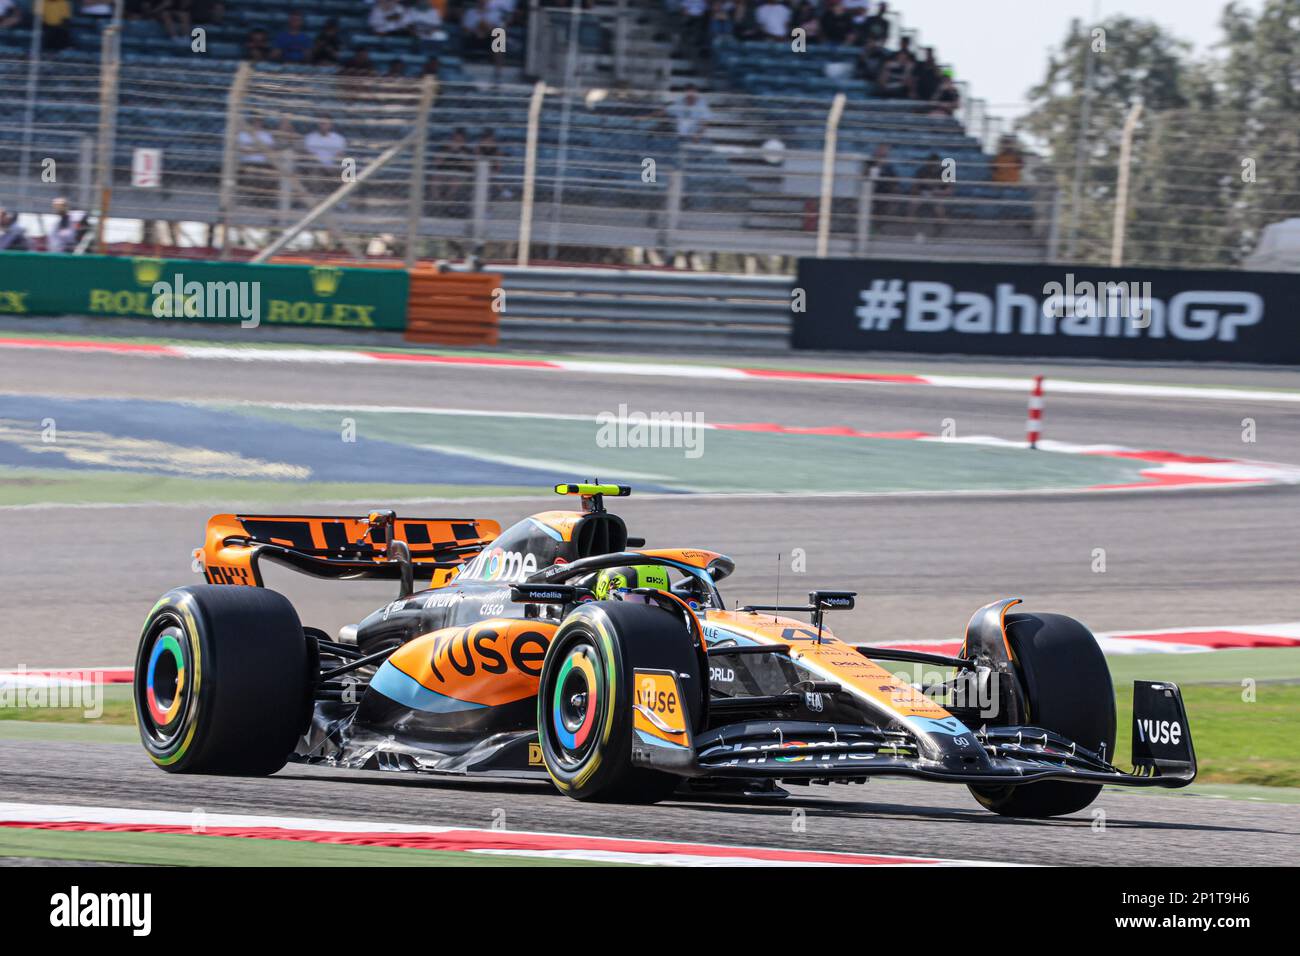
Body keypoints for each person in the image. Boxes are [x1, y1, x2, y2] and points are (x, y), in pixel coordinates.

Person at [431, 127, 474, 218]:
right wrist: (448, 151)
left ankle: (447, 202)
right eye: (456, 137)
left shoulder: (467, 150)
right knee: (435, 179)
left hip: (460, 174)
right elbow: (437, 162)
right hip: (445, 172)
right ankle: (437, 202)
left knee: (454, 181)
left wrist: (461, 154)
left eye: (460, 138)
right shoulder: (445, 147)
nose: (457, 140)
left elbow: (471, 166)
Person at [303, 119, 347, 193]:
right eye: (321, 123)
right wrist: (322, 166)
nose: (323, 125)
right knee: (314, 172)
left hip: (334, 166)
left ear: (331, 124)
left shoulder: (339, 139)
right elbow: (309, 155)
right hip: (316, 166)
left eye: (325, 123)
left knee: (348, 167)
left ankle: (344, 199)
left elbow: (340, 155)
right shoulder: (310, 138)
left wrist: (332, 166)